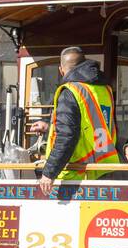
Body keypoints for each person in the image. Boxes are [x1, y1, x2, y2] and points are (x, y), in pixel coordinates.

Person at [37, 47, 119, 194]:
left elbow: (67, 135)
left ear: (61, 70)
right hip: (104, 165)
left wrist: (49, 172)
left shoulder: (71, 91)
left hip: (78, 173)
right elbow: (95, 123)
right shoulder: (104, 88)